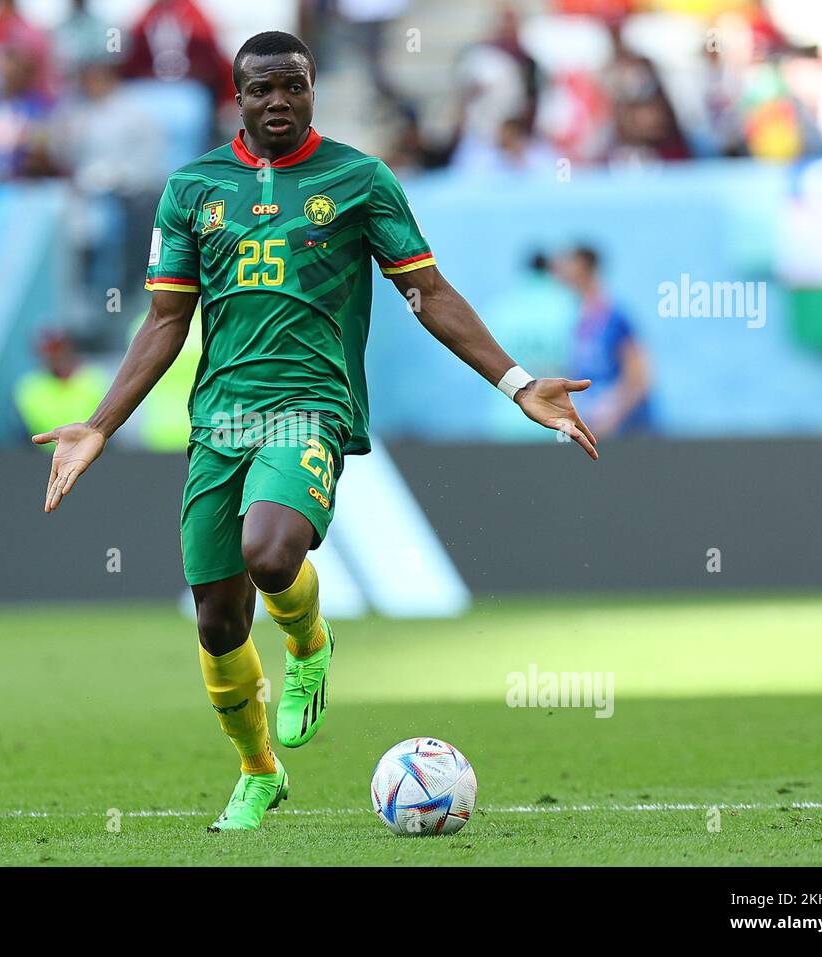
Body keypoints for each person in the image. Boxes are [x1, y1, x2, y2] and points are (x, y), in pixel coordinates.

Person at [32, 32, 597, 832]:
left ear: (310, 91)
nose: (277, 101)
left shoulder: (359, 181)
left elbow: (427, 293)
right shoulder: (193, 188)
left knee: (271, 551)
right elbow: (165, 320)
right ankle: (259, 771)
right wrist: (97, 424)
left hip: (309, 405)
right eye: (261, 88)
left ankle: (309, 641)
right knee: (218, 621)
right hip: (219, 420)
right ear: (237, 95)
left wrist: (515, 382)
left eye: (292, 86)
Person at [555, 245, 652, 436]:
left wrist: (611, 413)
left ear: (583, 266)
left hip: (625, 430)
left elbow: (639, 377)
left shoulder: (614, 318)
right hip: (593, 426)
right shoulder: (577, 318)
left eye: (567, 263)